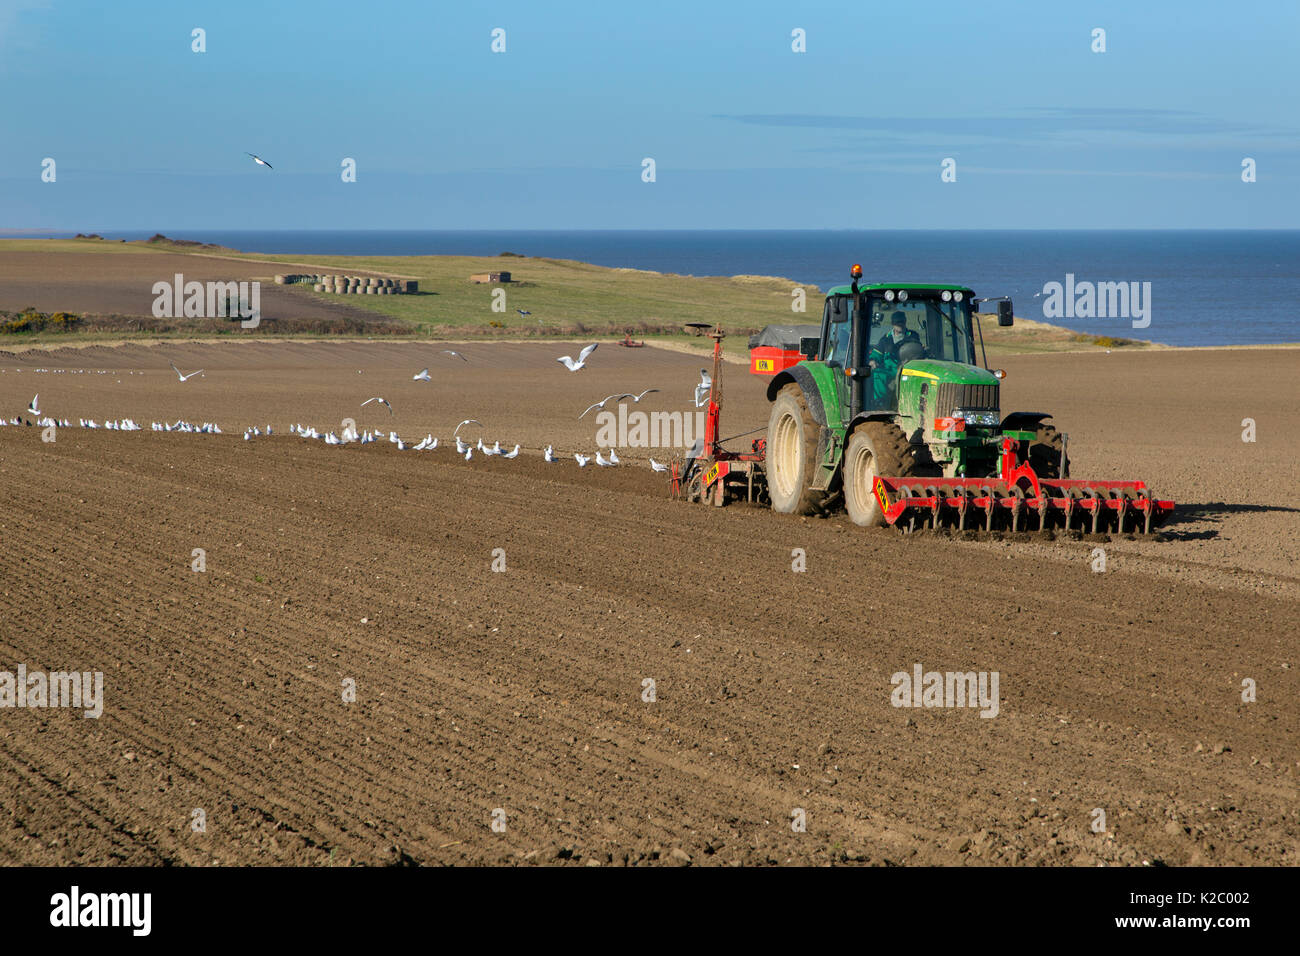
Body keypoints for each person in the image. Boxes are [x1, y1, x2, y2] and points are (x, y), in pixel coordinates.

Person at [867, 312, 923, 406]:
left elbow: (917, 350)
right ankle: (881, 403)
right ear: (892, 323)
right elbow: (876, 354)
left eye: (902, 321)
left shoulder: (913, 336)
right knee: (878, 374)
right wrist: (873, 361)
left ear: (905, 322)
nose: (900, 324)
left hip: (908, 368)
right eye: (897, 322)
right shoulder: (885, 339)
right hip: (890, 370)